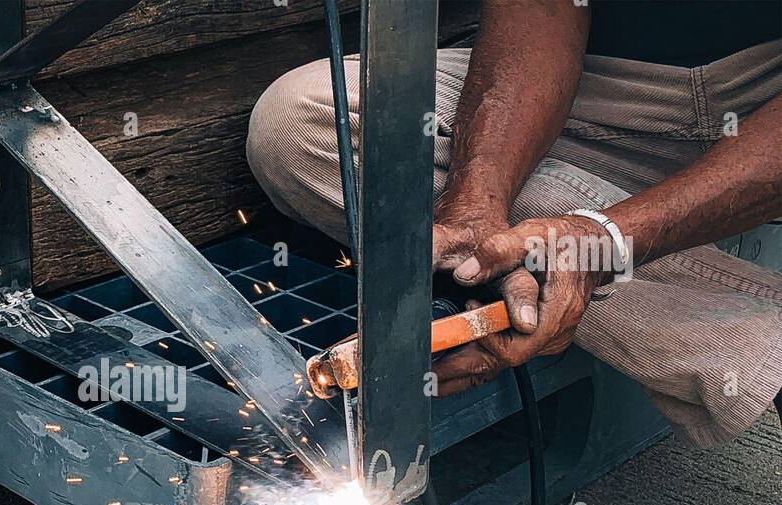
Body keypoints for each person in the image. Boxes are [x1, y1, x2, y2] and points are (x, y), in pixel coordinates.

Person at [247, 0, 782, 447]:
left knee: (588, 245)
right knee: (301, 123)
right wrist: (476, 202)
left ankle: (591, 252)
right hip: (595, 88)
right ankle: (762, 344)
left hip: (764, 98)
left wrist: (607, 237)